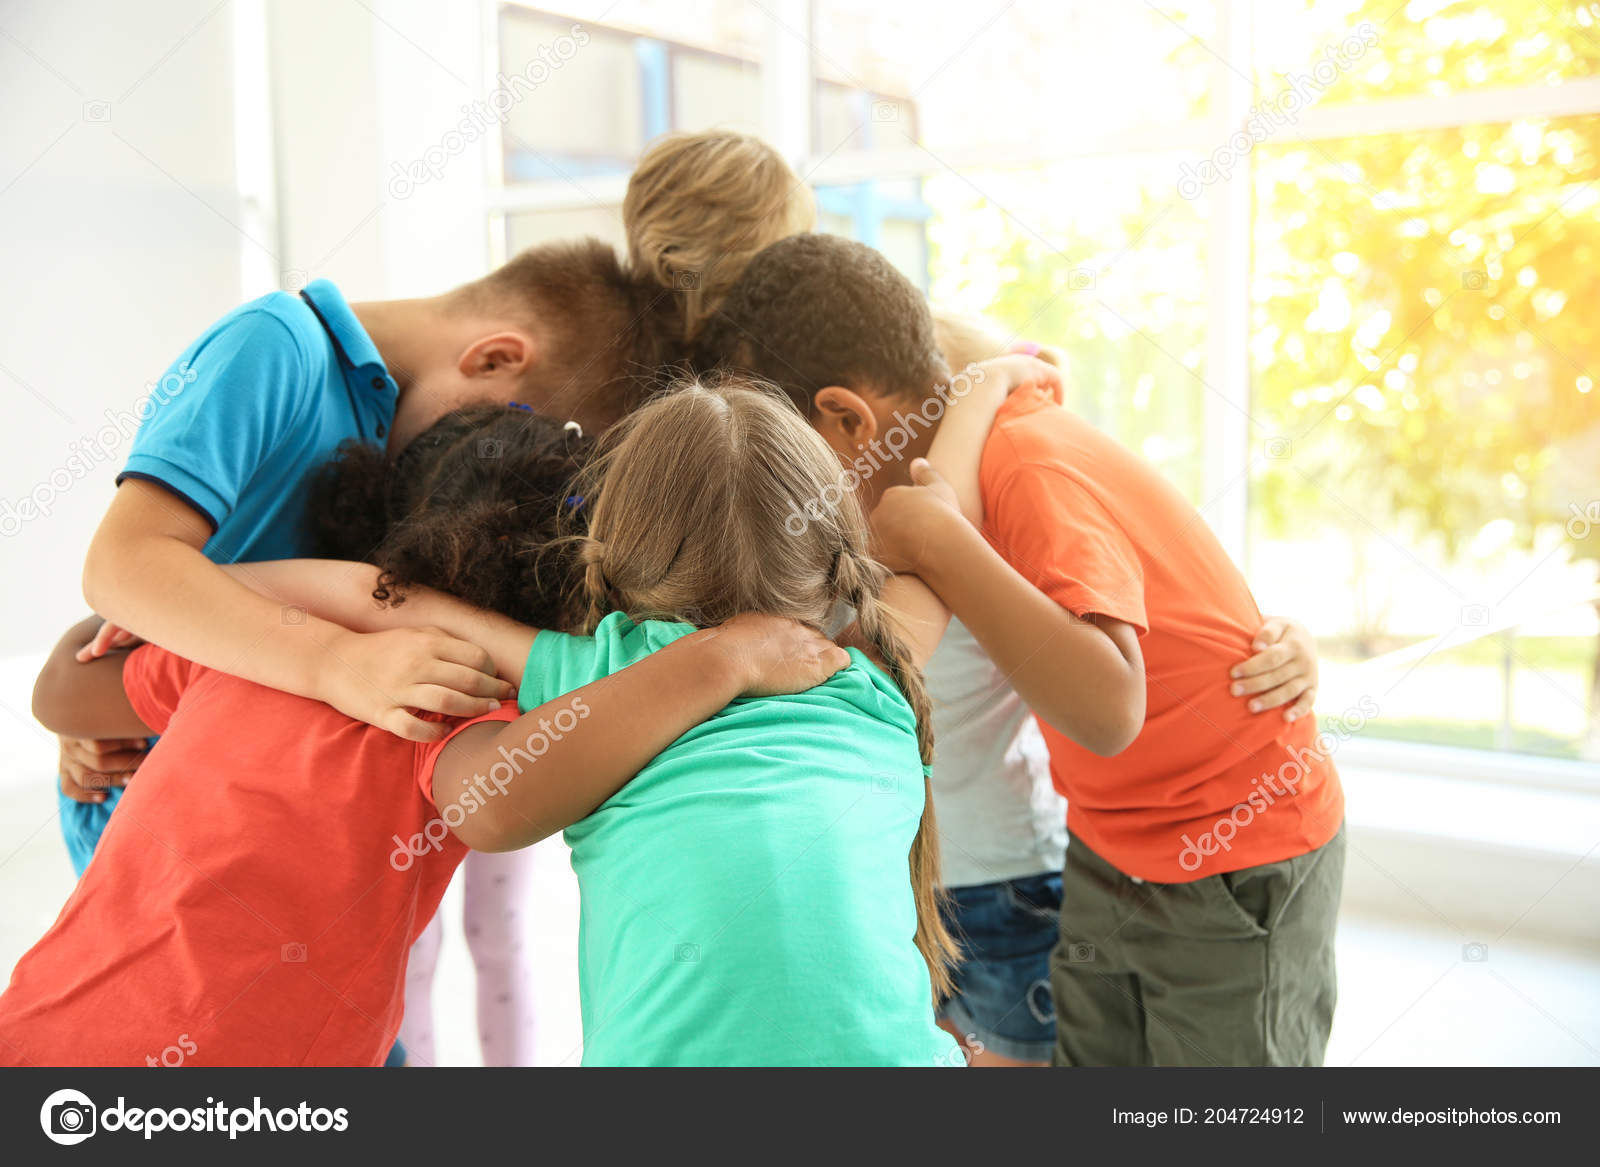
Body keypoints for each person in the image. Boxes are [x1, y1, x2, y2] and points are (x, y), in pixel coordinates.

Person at [3, 406, 838, 1066]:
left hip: (39, 1023)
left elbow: (63, 689)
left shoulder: (244, 648)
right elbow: (498, 807)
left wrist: (210, 594)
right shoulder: (446, 686)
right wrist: (709, 666)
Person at [699, 233, 1346, 1067]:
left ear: (847, 420)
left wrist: (941, 540)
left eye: (799, 466)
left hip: (1238, 847)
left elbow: (1111, 708)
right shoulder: (984, 446)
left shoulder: (1026, 461)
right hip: (1114, 840)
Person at [57, 239, 680, 875]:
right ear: (494, 358)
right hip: (158, 828)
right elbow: (122, 566)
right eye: (516, 427)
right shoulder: (273, 346)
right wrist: (336, 663)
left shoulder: (404, 449)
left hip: (283, 829)